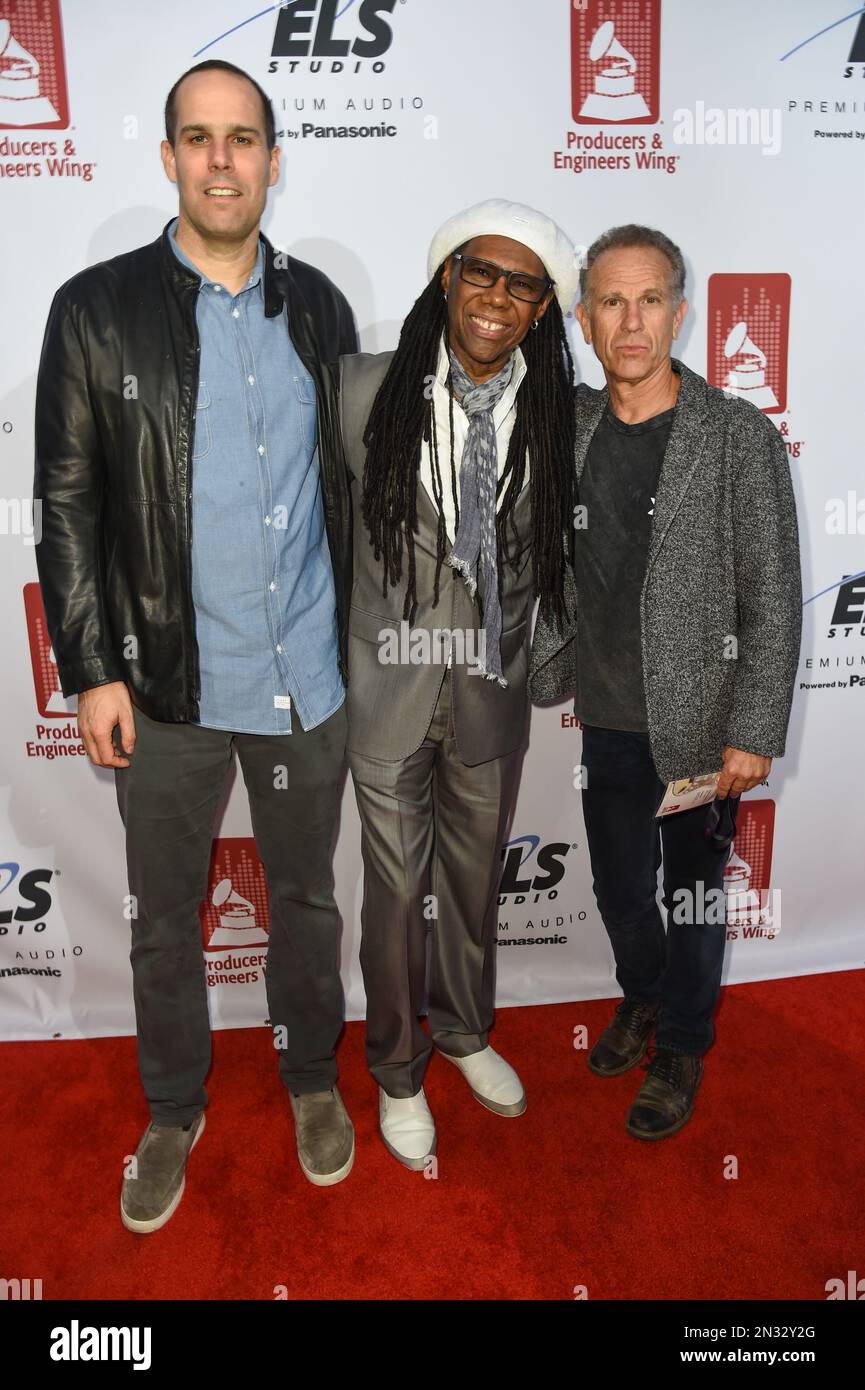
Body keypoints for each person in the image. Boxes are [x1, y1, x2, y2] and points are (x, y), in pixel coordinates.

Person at [34, 60, 358, 1231]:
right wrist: (91, 669)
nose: (223, 160)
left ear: (274, 157)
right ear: (168, 157)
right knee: (166, 918)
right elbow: (64, 500)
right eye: (199, 138)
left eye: (243, 139)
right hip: (164, 687)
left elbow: (344, 486)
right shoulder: (95, 306)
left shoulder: (317, 305)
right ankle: (172, 1106)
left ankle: (314, 1079)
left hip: (303, 679)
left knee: (309, 904)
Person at [530, 224, 801, 1140]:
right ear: (584, 319)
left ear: (679, 315)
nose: (630, 320)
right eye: (610, 301)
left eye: (649, 300)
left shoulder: (735, 435)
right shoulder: (566, 424)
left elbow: (772, 591)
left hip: (701, 722)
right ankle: (641, 997)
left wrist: (754, 727)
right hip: (605, 719)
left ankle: (682, 1043)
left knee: (692, 893)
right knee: (617, 889)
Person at [338, 200, 579, 1168]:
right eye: (481, 273)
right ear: (446, 278)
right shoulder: (359, 392)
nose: (496, 297)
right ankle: (397, 1071)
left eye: (523, 286)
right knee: (396, 897)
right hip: (383, 693)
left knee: (472, 887)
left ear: (542, 309)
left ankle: (467, 1032)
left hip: (492, 694)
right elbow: (315, 537)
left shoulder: (563, 413)